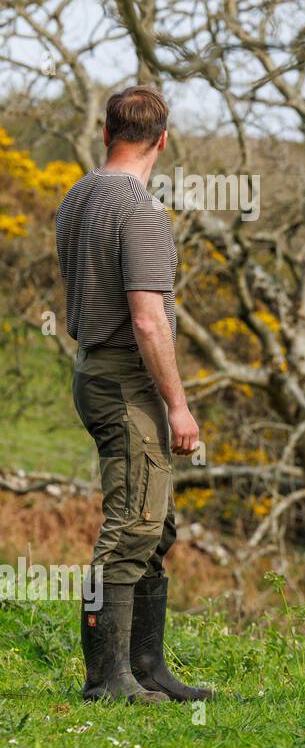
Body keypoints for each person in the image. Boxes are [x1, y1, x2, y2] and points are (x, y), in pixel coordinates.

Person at [55, 85, 210, 704]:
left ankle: (148, 669)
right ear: (163, 140)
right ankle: (108, 680)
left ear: (105, 133)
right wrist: (178, 405)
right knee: (130, 528)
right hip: (126, 381)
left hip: (92, 368)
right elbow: (148, 318)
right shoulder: (141, 208)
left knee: (153, 522)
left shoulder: (75, 197)